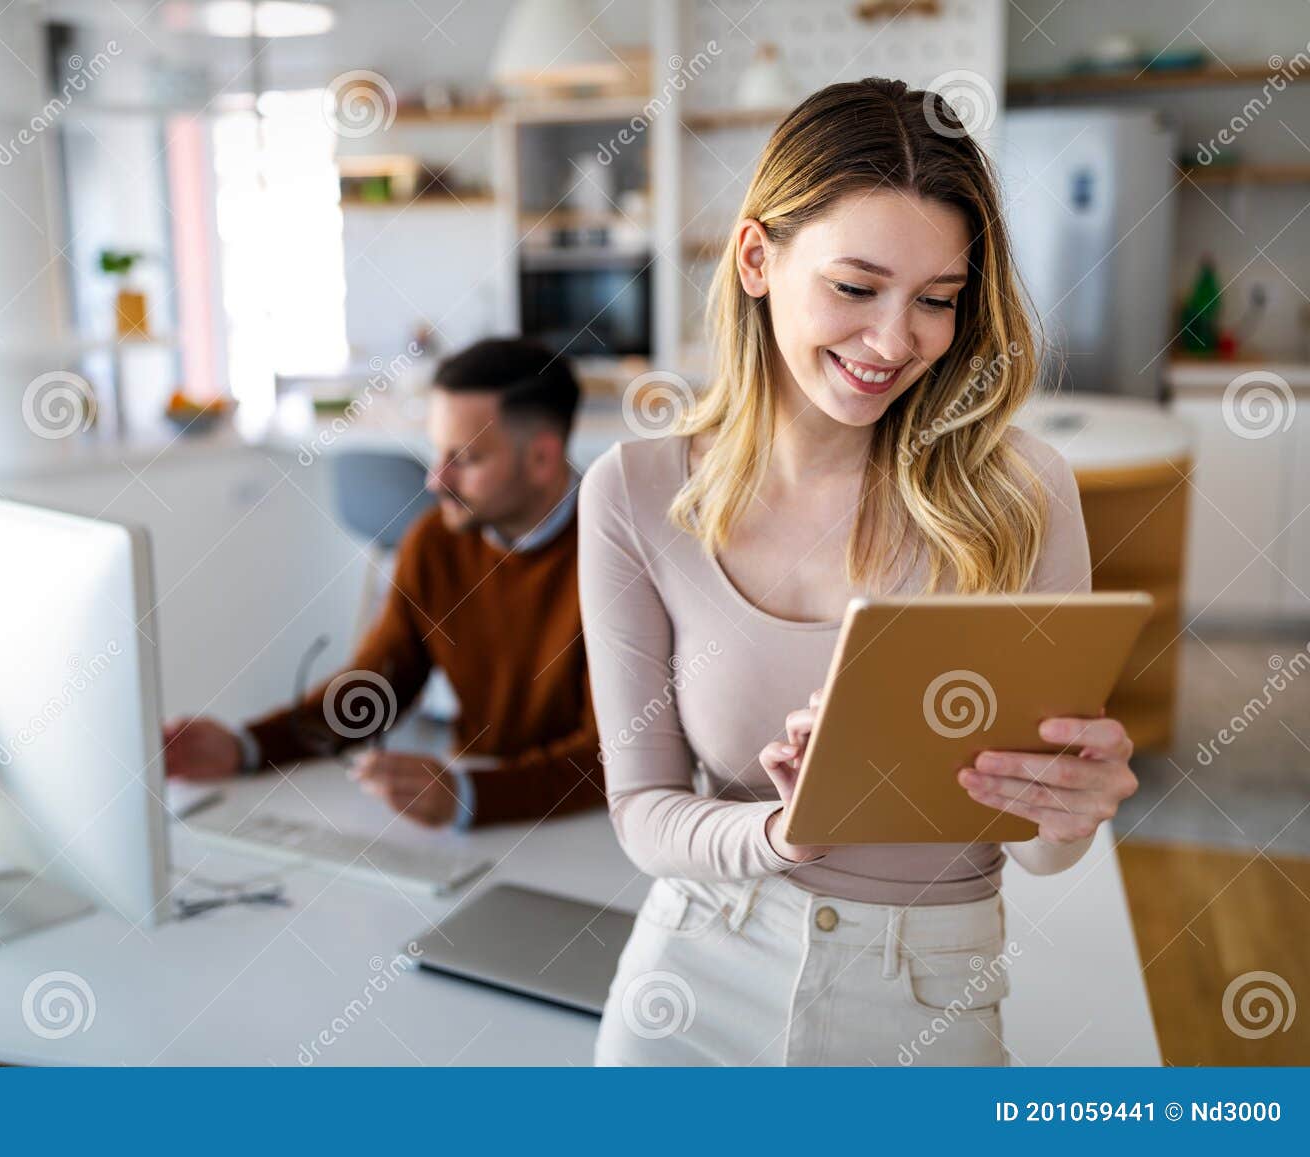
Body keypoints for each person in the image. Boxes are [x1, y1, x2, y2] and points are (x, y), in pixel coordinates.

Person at [579, 78, 1139, 1066]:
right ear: (756, 257)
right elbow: (643, 809)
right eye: (854, 287)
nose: (894, 342)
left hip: (921, 987)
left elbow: (1039, 844)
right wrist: (781, 830)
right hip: (693, 973)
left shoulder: (1021, 495)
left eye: (936, 301)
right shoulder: (632, 491)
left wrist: (1068, 810)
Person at [164, 337, 605, 830]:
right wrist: (247, 747)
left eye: (467, 459)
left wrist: (470, 796)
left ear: (542, 460)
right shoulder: (436, 541)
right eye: (437, 453)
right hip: (488, 818)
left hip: (590, 825)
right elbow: (377, 687)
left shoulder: (618, 555)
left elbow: (614, 757)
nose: (436, 480)